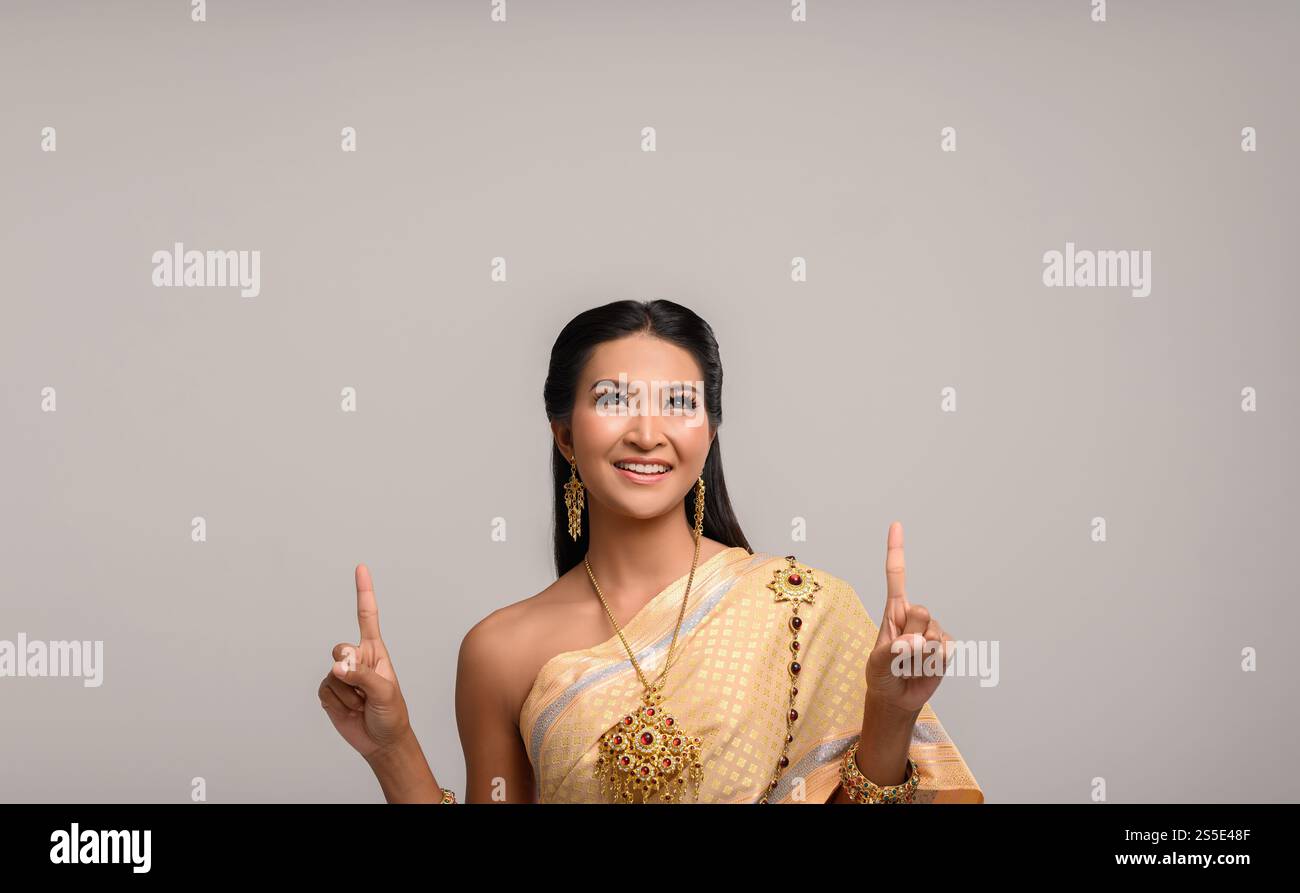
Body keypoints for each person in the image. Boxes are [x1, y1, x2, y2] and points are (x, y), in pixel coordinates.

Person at [316, 299, 983, 803]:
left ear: (709, 433)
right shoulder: (500, 649)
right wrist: (392, 745)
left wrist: (892, 713)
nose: (646, 431)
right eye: (613, 400)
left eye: (677, 403)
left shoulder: (804, 608)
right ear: (566, 435)